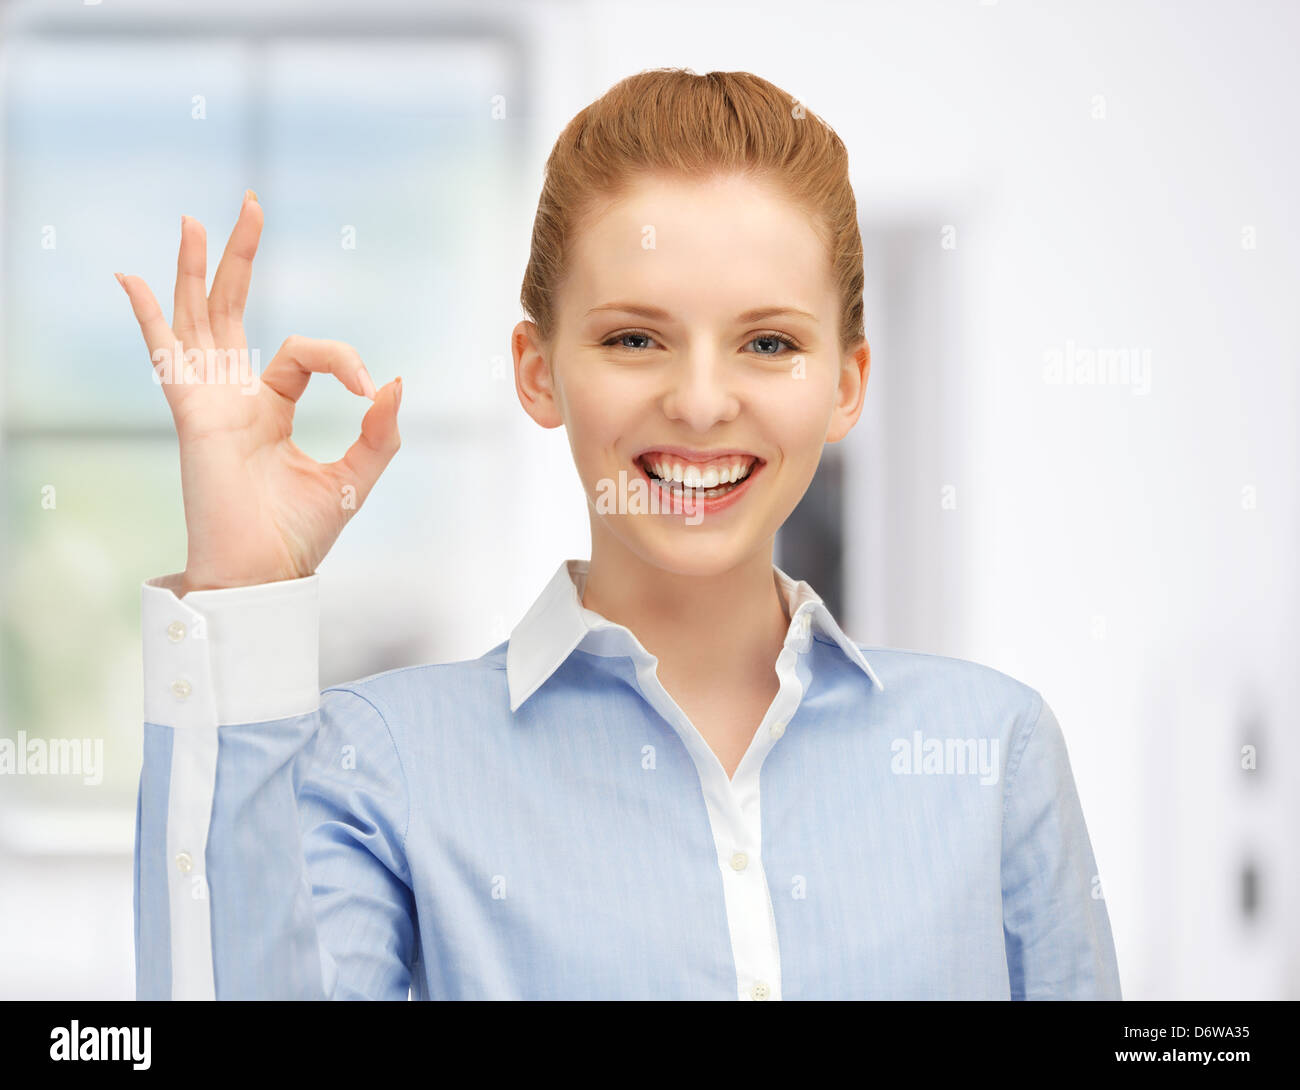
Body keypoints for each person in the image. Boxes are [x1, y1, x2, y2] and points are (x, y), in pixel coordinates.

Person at [119, 68, 1121, 1000]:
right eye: (633, 339)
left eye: (767, 342)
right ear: (539, 370)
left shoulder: (992, 751)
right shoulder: (383, 764)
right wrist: (241, 588)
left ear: (845, 382)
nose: (697, 402)